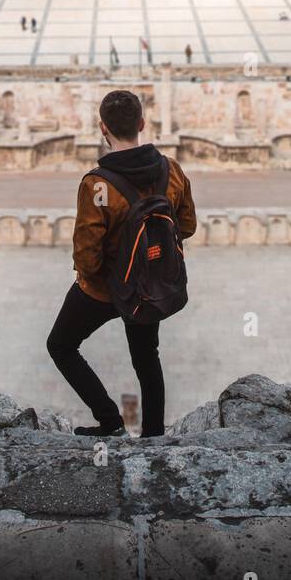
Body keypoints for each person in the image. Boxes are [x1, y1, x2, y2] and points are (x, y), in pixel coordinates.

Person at [46, 89, 196, 439]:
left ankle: (110, 420)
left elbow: (86, 254)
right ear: (142, 124)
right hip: (148, 286)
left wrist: (105, 279)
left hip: (101, 290)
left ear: (103, 129)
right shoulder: (171, 171)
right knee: (147, 359)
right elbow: (186, 226)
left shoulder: (98, 184)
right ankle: (154, 436)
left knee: (61, 346)